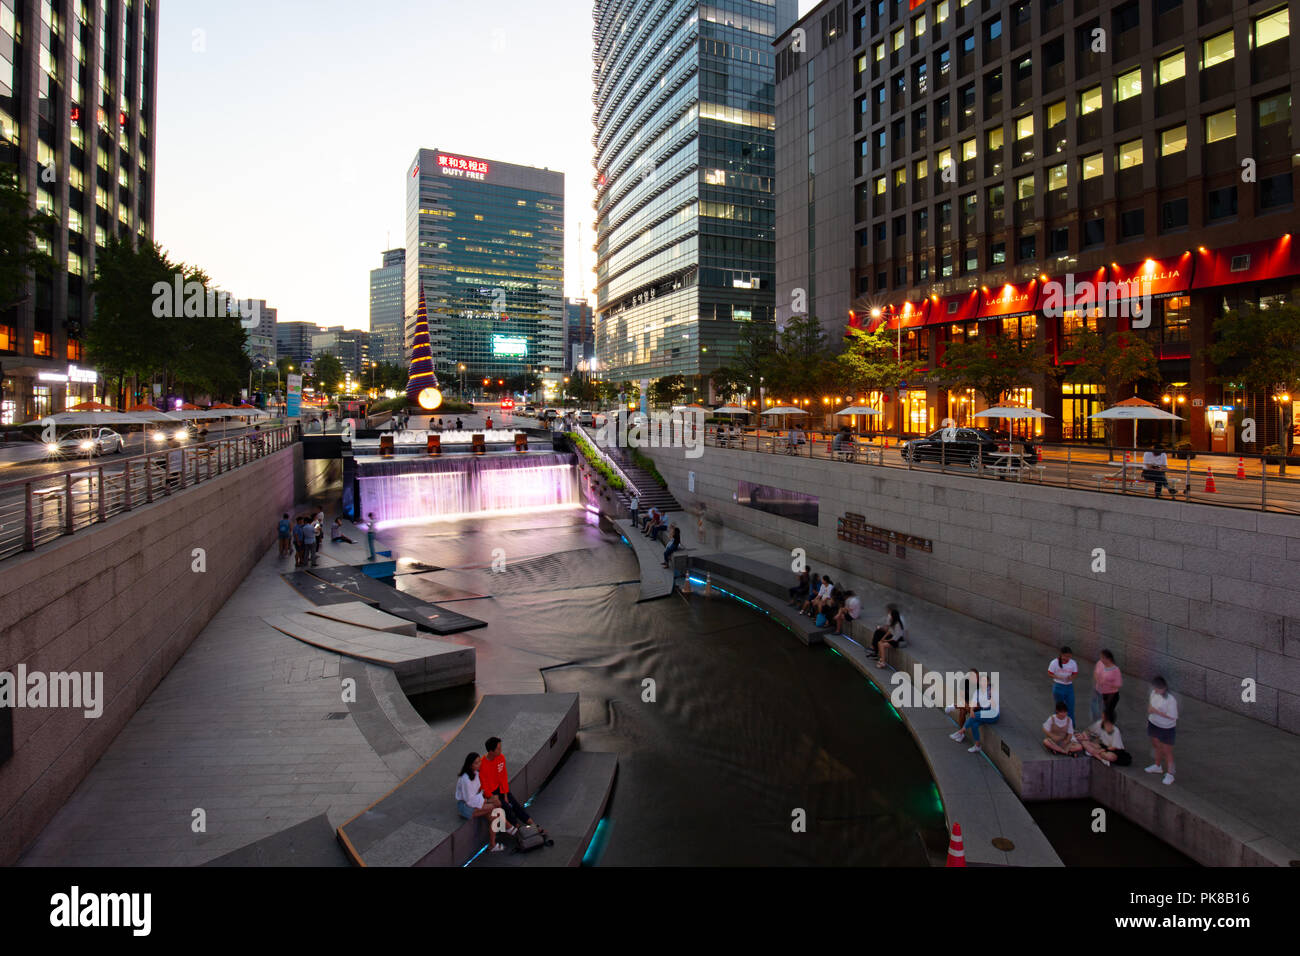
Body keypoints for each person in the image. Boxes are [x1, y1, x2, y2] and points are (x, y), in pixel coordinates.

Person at [479, 738, 544, 838]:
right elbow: (484, 786)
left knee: (515, 804)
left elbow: (503, 777)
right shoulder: (483, 764)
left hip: (501, 789)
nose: (501, 750)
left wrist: (505, 794)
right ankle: (519, 831)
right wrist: (493, 797)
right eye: (498, 749)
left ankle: (533, 825)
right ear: (491, 751)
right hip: (492, 794)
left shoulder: (500, 758)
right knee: (506, 808)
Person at [455, 753, 505, 852]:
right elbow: (469, 800)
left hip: (475, 803)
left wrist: (488, 800)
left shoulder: (476, 773)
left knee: (494, 815)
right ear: (470, 765)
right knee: (495, 808)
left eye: (479, 761)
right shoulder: (466, 779)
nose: (479, 764)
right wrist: (488, 801)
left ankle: (493, 843)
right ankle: (504, 831)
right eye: (476, 763)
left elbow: (478, 792)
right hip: (465, 807)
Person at [1144, 676, 1178, 785]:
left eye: (1157, 688)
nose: (1155, 690)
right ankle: (1157, 765)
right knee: (1156, 745)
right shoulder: (1154, 693)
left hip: (1166, 728)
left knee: (1167, 751)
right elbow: (1151, 704)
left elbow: (1173, 716)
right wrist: (1150, 710)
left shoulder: (1170, 700)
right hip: (1154, 723)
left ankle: (1170, 774)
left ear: (1163, 688)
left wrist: (1156, 711)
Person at [957, 674, 999, 753]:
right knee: (974, 724)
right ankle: (977, 745)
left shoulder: (992, 691)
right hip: (984, 713)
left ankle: (961, 731)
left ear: (988, 682)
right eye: (982, 681)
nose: (983, 683)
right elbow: (974, 702)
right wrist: (972, 710)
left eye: (985, 681)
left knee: (974, 716)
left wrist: (990, 697)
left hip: (993, 714)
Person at [947, 669, 982, 741]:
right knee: (962, 711)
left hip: (977, 706)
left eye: (977, 677)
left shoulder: (980, 685)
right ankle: (961, 734)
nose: (976, 679)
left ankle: (955, 706)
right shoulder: (964, 682)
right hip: (967, 703)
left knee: (965, 708)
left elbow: (980, 702)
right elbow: (962, 696)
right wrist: (966, 704)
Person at [1048, 646, 1078, 725]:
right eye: (1065, 656)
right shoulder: (1054, 662)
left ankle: (1071, 727)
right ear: (1061, 655)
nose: (1067, 658)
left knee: (1070, 707)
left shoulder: (1073, 663)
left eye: (1069, 656)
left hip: (1069, 687)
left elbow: (1075, 674)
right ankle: (1056, 725)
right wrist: (1057, 677)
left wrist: (1071, 678)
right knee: (1059, 708)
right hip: (1058, 686)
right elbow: (1050, 673)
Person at [1093, 649, 1123, 722]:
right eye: (1101, 657)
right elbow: (1096, 673)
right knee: (1098, 711)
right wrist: (1098, 680)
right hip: (1099, 692)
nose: (1101, 659)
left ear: (1109, 659)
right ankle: (1100, 724)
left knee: (1108, 712)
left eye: (1103, 658)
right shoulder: (1100, 663)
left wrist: (1106, 683)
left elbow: (1118, 684)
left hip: (1110, 695)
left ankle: (1109, 724)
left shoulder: (1115, 670)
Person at [875, 605, 907, 669]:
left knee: (882, 645)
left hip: (898, 641)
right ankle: (881, 659)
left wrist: (886, 641)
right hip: (893, 638)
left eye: (891, 615)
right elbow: (889, 631)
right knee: (879, 642)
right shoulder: (893, 622)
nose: (890, 616)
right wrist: (883, 638)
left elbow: (895, 638)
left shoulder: (898, 625)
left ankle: (883, 662)